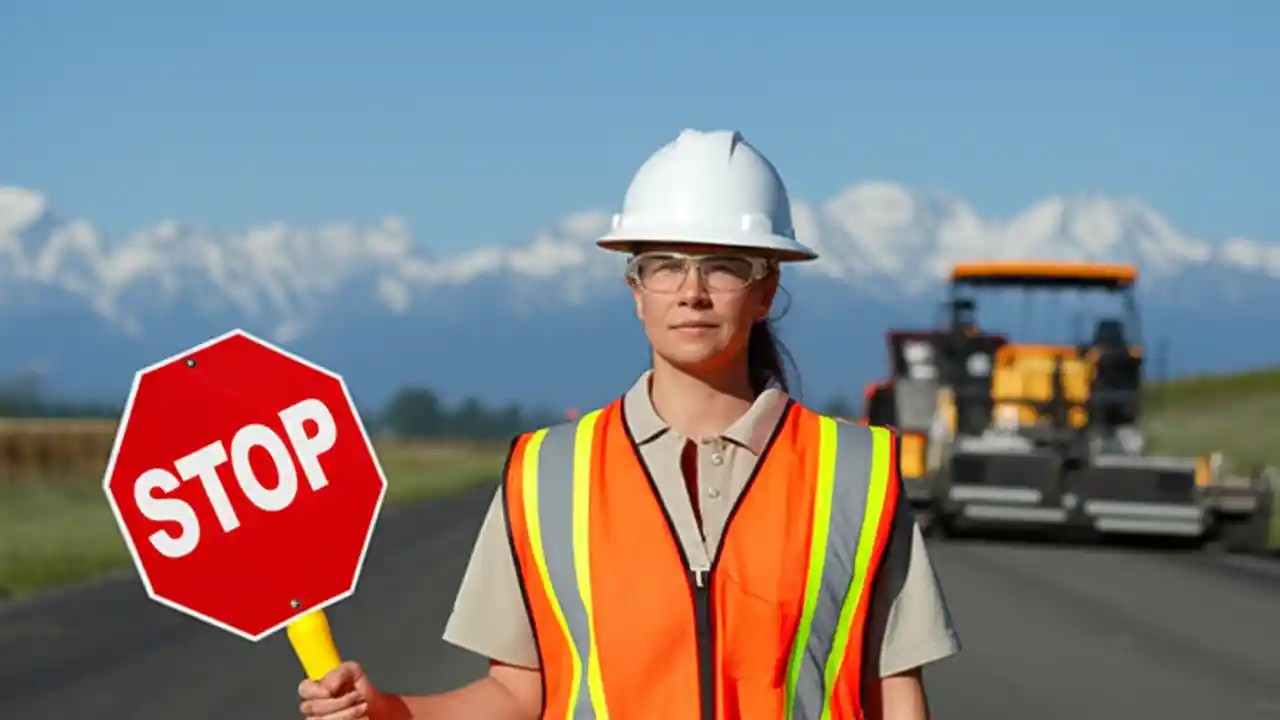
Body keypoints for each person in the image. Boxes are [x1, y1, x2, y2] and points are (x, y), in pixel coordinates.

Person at [298, 128, 960, 720]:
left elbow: (893, 691)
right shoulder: (546, 475)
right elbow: (517, 694)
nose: (690, 292)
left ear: (765, 291)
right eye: (664, 266)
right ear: (634, 288)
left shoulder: (858, 473)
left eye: (722, 267)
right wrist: (384, 713)